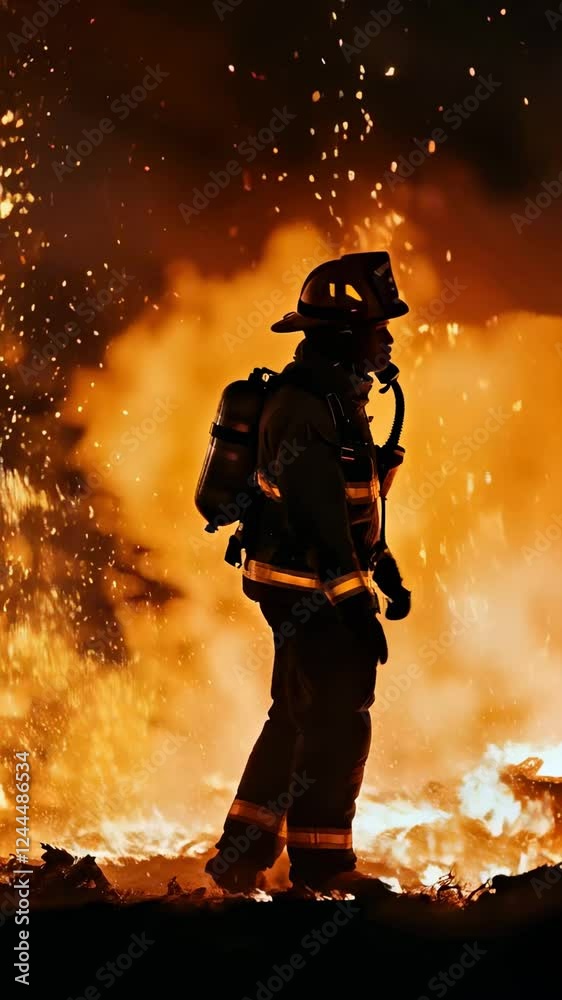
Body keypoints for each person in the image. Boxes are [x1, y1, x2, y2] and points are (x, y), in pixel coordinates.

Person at [205, 251, 411, 895]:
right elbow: (321, 521)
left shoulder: (336, 398)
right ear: (346, 333)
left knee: (295, 717)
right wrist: (355, 603)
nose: (389, 340)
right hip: (306, 590)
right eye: (380, 328)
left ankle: (241, 857)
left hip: (315, 582)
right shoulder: (303, 409)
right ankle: (322, 866)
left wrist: (386, 568)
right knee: (338, 720)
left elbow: (352, 505)